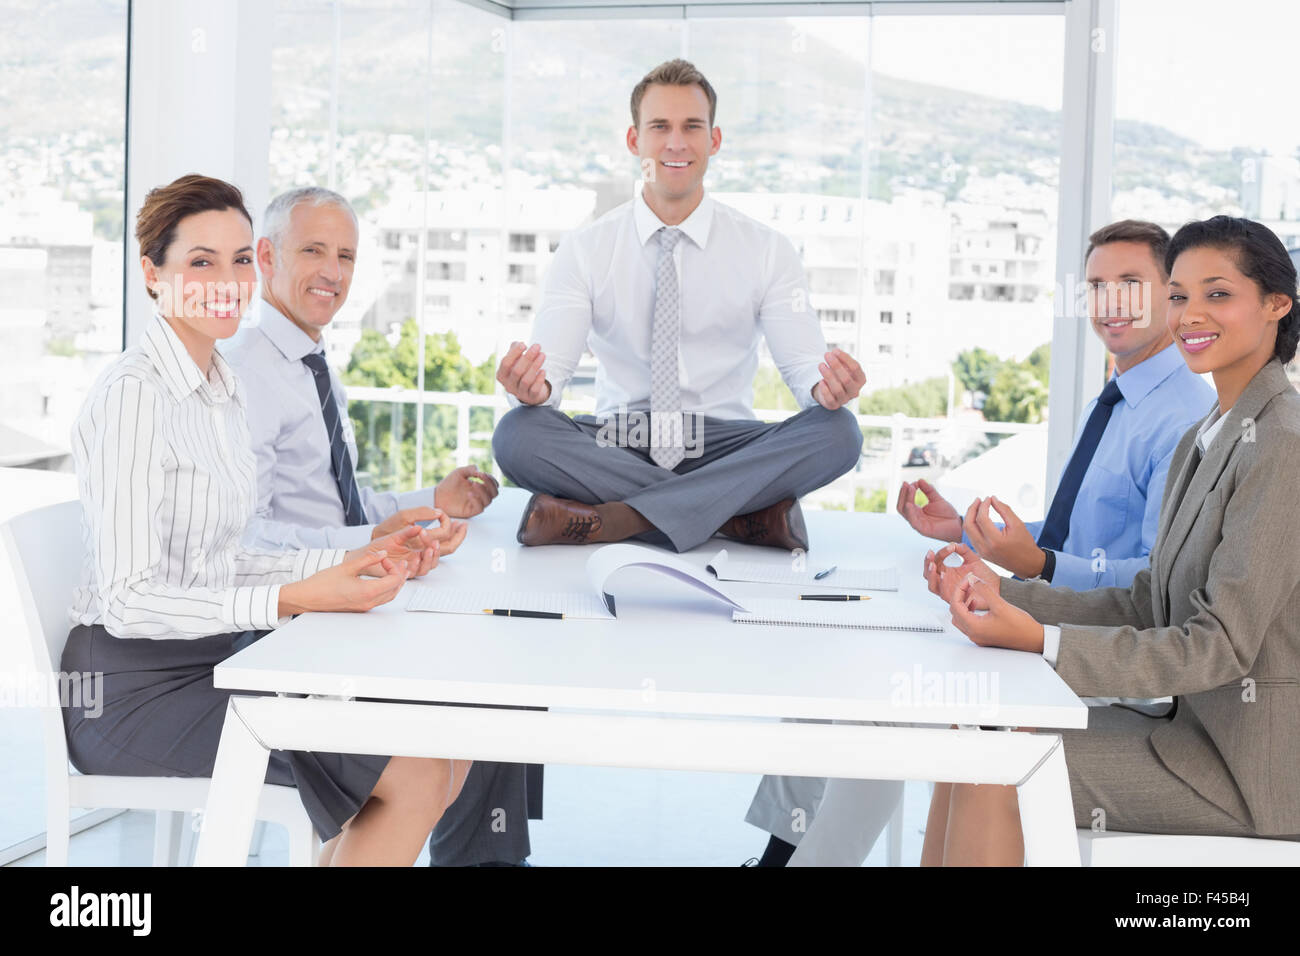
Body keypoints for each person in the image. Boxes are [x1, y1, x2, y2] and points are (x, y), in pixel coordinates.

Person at [746, 220, 1218, 866]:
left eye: (1131, 283)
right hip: (1039, 619)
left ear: (1174, 294)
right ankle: (783, 856)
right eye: (1097, 286)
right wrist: (964, 532)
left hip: (1096, 660)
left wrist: (1036, 570)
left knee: (889, 700)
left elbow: (1155, 582)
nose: (1110, 302)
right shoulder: (1117, 399)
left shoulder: (1183, 416)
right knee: (853, 665)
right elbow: (1074, 542)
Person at [62, 174, 465, 866]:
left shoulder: (223, 390)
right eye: (201, 261)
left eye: (240, 259)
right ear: (151, 274)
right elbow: (130, 600)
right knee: (419, 770)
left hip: (212, 658)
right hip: (130, 689)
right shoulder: (134, 396)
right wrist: (291, 596)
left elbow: (228, 554)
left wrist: (354, 564)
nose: (227, 280)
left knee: (446, 750)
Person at [923, 215, 1300, 863]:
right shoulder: (1207, 435)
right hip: (1186, 732)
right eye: (1179, 296)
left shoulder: (1282, 444)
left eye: (1217, 294)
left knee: (995, 765)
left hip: (1248, 773)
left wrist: (1041, 641)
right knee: (970, 744)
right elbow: (1148, 601)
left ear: (1275, 304)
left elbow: (1220, 648)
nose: (1190, 314)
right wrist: (1005, 593)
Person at [223, 186, 531, 868]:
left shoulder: (312, 365)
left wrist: (431, 500)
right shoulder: (248, 371)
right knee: (445, 737)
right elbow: (248, 537)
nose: (332, 271)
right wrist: (371, 545)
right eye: (313, 251)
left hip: (341, 599)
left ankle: (481, 858)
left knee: (475, 714)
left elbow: (340, 503)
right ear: (268, 256)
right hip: (292, 622)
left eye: (346, 256)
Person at [491, 59, 866, 553]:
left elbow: (804, 371)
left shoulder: (766, 249)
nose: (675, 143)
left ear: (714, 140)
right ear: (634, 141)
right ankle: (734, 519)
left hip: (726, 445)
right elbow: (550, 376)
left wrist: (828, 386)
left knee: (839, 431)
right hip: (618, 438)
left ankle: (616, 519)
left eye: (692, 127)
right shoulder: (585, 249)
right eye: (659, 127)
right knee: (519, 432)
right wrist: (533, 388)